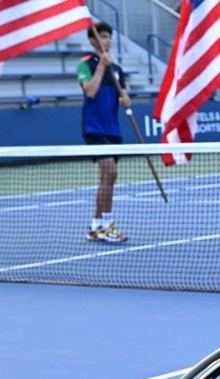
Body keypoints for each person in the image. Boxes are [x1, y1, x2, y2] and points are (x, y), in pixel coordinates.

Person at [77, 22, 131, 243]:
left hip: (113, 129)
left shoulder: (117, 70)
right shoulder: (85, 64)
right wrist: (101, 66)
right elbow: (90, 92)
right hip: (94, 127)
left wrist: (126, 100)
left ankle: (95, 225)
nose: (107, 41)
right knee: (109, 172)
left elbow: (126, 99)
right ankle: (108, 225)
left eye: (109, 37)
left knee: (108, 177)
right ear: (93, 40)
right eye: (103, 37)